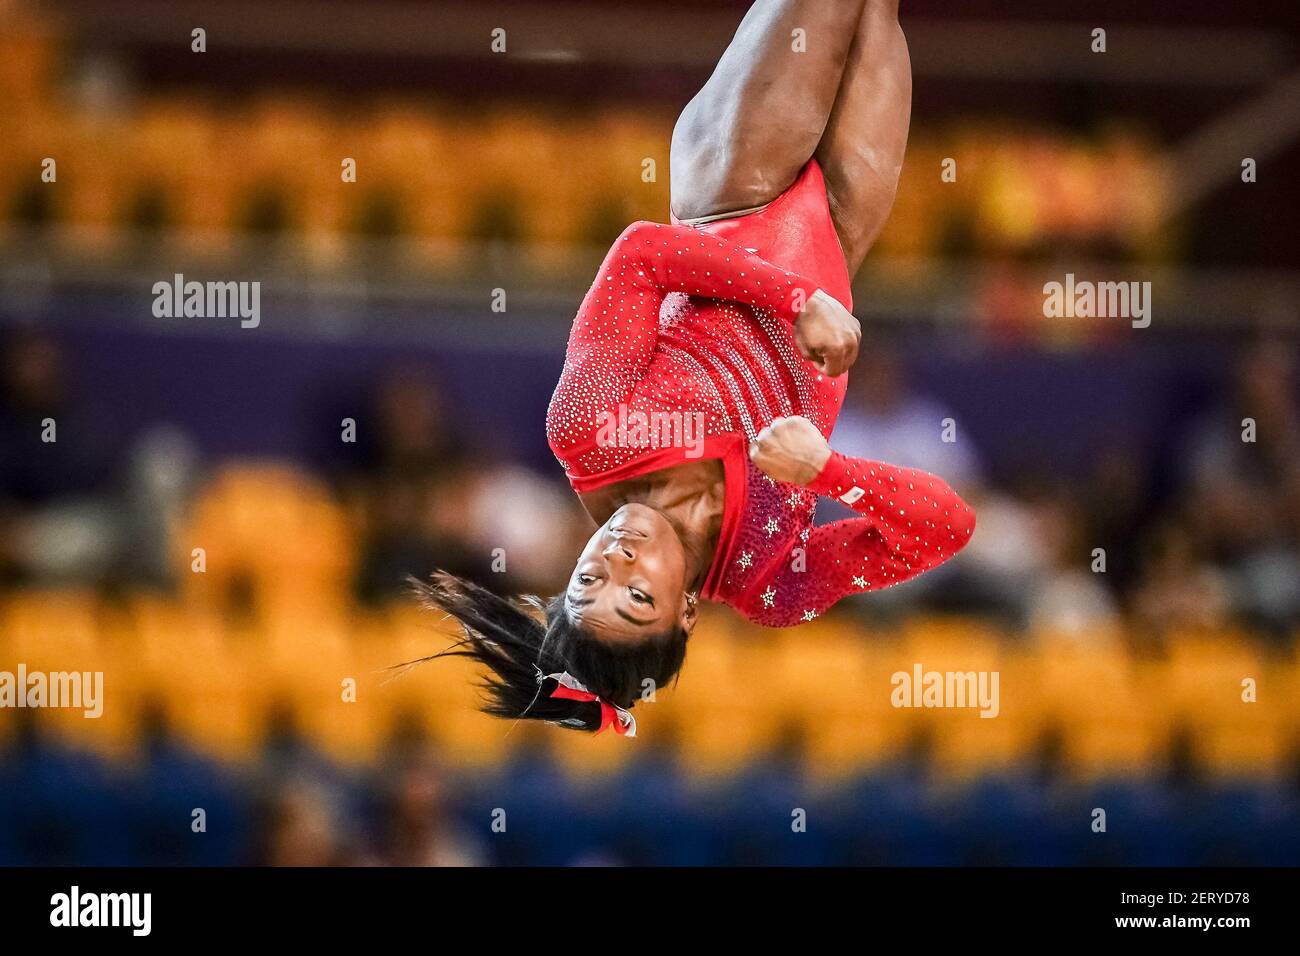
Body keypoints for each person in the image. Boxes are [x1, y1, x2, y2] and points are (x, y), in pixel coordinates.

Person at [421, 0, 974, 734]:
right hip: (838, 238)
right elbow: (948, 526)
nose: (617, 559)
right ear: (684, 614)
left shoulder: (588, 436)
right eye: (637, 596)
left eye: (589, 580)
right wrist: (828, 474)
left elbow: (642, 253)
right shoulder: (771, 581)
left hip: (734, 183)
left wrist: (794, 297)